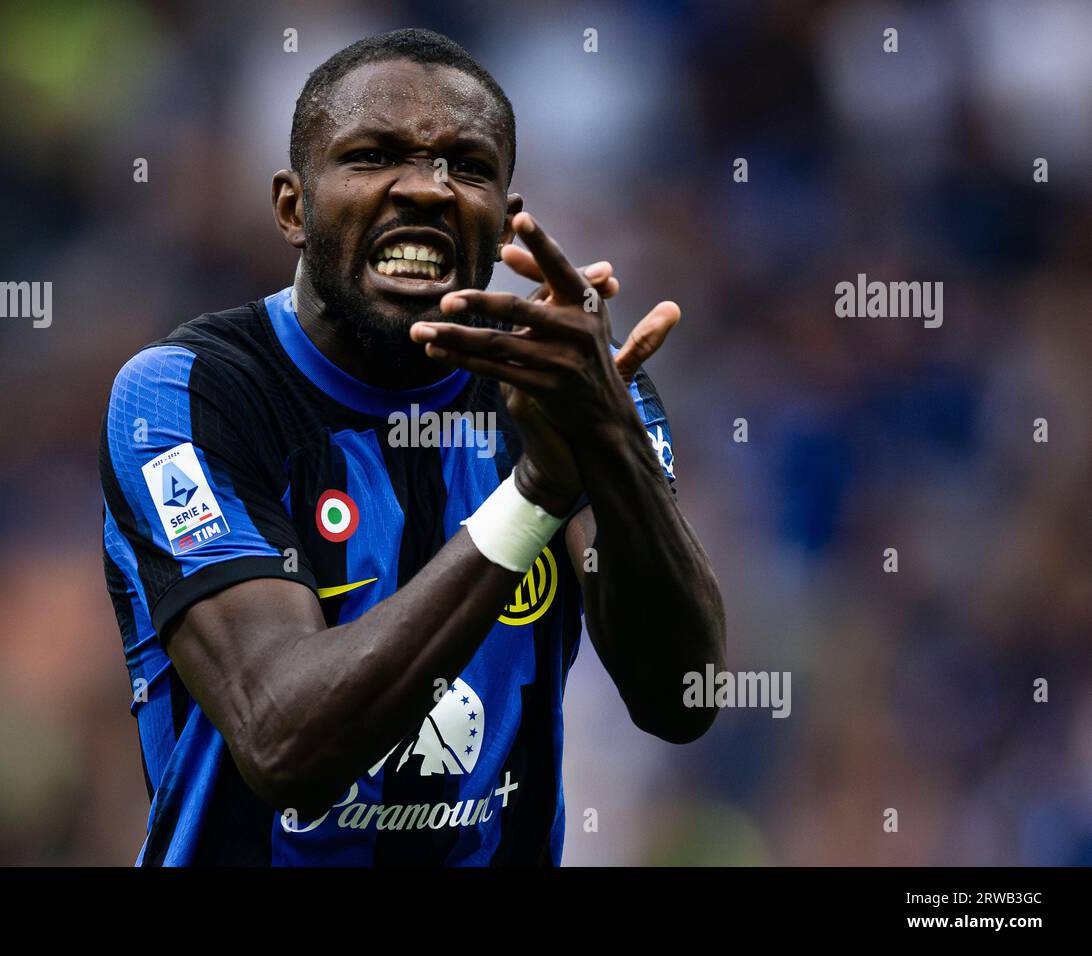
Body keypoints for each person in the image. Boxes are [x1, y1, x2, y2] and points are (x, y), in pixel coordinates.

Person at [99, 28, 725, 865]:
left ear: (506, 218)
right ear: (293, 207)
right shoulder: (188, 394)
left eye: (467, 166)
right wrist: (536, 492)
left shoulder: (572, 388)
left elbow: (680, 699)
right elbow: (286, 745)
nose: (427, 189)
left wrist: (607, 438)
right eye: (372, 156)